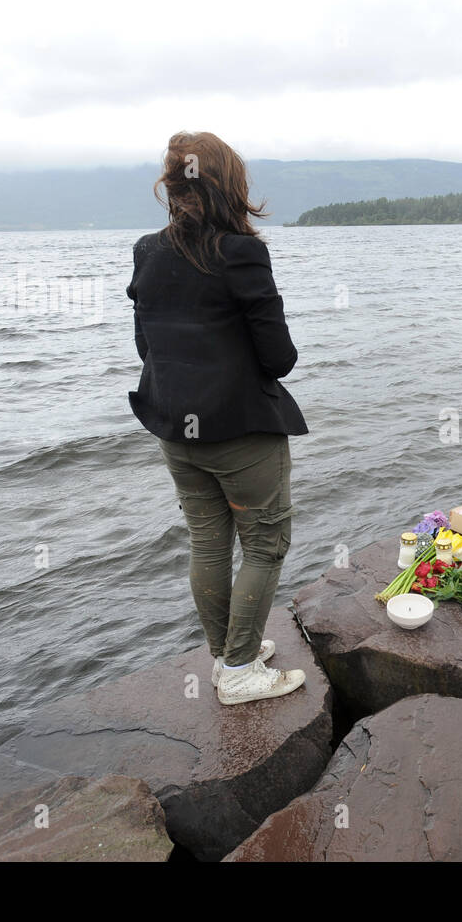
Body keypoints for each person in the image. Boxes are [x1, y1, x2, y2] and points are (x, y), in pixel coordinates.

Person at [126, 131, 309, 706]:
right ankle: (239, 669)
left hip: (173, 430)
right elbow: (279, 357)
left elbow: (145, 348)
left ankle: (230, 654)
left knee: (208, 542)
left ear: (175, 185)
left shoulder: (147, 250)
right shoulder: (241, 252)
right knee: (264, 545)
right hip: (240, 433)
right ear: (231, 186)